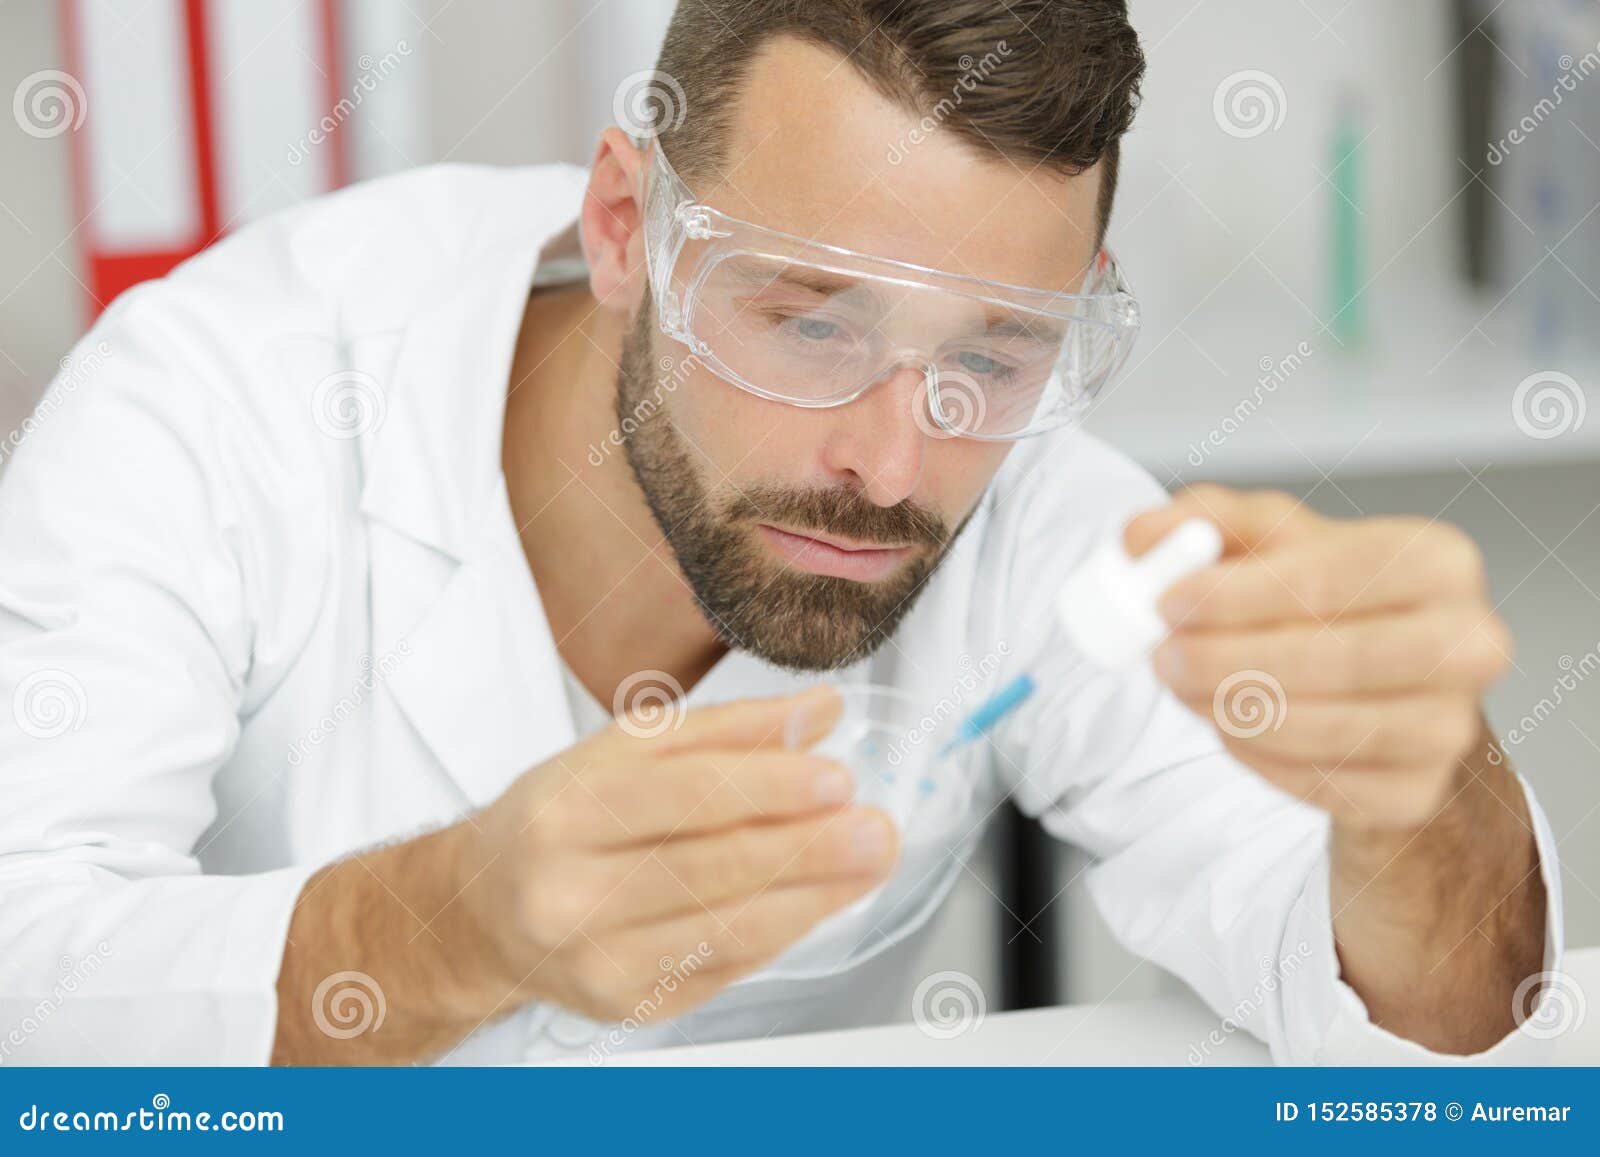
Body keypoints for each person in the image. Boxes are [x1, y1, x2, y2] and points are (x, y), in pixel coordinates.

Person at [0, 0, 1559, 1066]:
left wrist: (1424, 798)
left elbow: (1433, 1024)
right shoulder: (222, 401)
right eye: (809, 324)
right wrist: (446, 922)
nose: (893, 463)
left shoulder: (1036, 513)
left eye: (995, 352)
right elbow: (22, 968)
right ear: (628, 226)